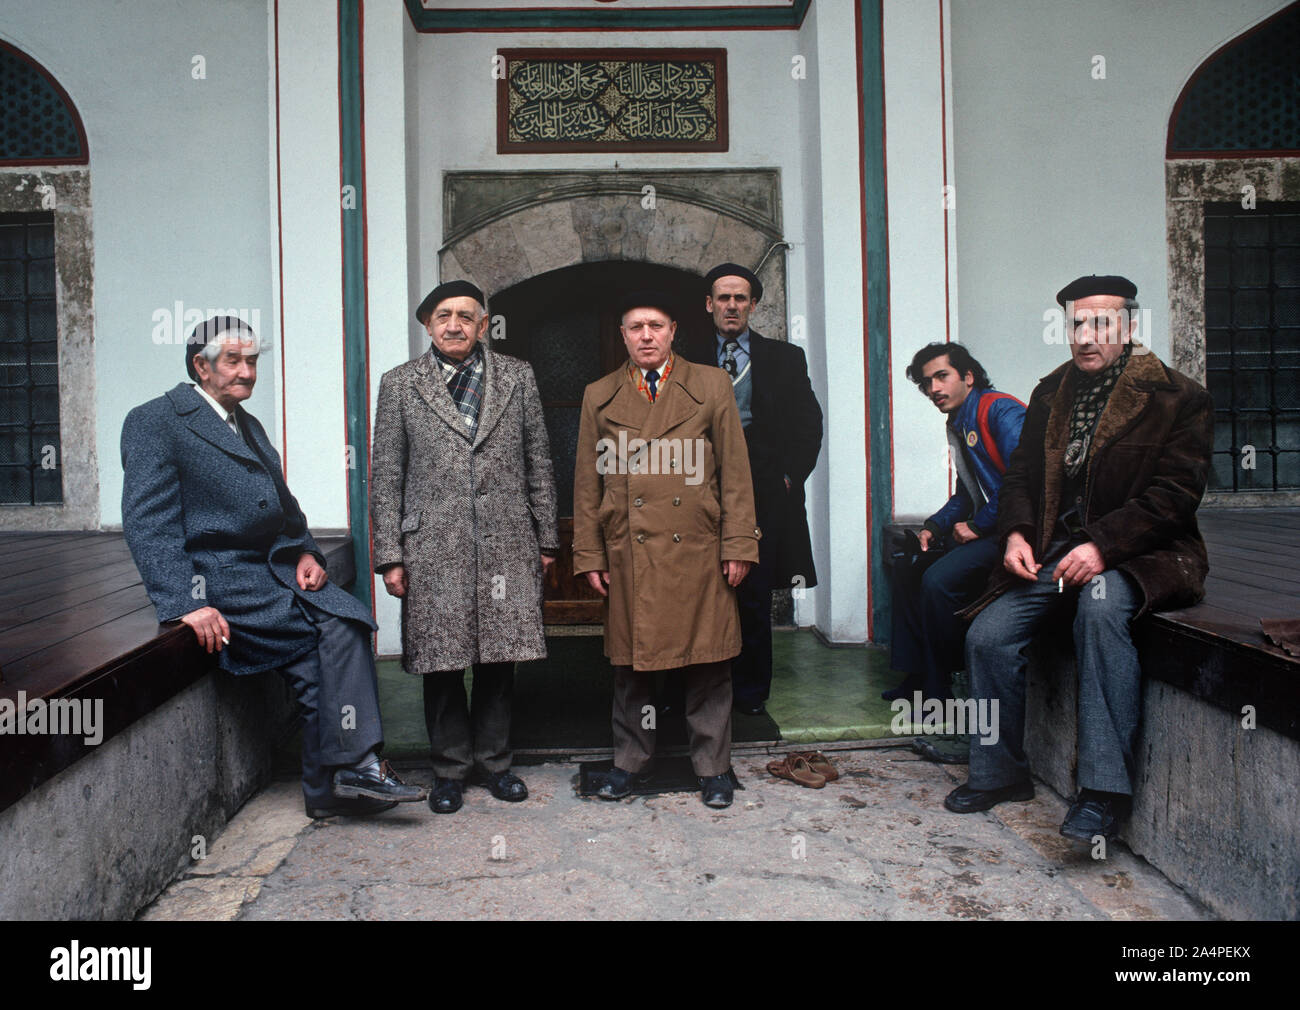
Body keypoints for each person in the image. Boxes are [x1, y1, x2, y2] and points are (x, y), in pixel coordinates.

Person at [121, 316, 425, 819]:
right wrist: (184, 603)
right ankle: (350, 773)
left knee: (336, 634)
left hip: (272, 569)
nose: (246, 372)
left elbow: (284, 507)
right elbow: (147, 523)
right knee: (328, 640)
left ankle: (337, 781)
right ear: (201, 365)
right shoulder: (156, 420)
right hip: (218, 578)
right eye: (233, 361)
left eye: (252, 361)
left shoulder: (245, 421)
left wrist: (306, 551)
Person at [944, 275, 1213, 843]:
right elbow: (1020, 477)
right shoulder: (1050, 392)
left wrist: (1102, 545)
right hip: (1057, 554)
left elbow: (1174, 496)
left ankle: (1103, 794)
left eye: (1102, 323)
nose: (1087, 336)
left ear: (1129, 328)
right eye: (1077, 324)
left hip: (1144, 554)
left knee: (1098, 609)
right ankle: (1000, 774)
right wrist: (1015, 534)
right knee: (988, 635)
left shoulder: (1177, 397)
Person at [370, 280, 558, 815]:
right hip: (432, 543)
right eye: (443, 315)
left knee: (501, 659)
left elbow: (538, 461)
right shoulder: (400, 384)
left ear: (483, 325)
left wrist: (547, 539)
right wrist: (391, 554)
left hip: (508, 541)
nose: (455, 325)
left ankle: (496, 765)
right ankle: (450, 770)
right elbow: (386, 475)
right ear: (428, 325)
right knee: (442, 661)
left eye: (466, 316)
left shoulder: (517, 376)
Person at [572, 290, 759, 808]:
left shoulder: (711, 383)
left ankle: (713, 768)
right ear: (623, 335)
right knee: (632, 664)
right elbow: (588, 482)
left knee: (708, 660)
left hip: (698, 543)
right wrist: (589, 553)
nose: (646, 336)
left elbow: (736, 475)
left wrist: (739, 543)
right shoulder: (599, 394)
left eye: (655, 325)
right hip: (629, 548)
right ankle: (629, 763)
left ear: (674, 329)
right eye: (635, 327)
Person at [676, 263, 823, 717]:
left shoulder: (784, 357)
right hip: (696, 486)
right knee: (694, 589)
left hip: (761, 488)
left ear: (754, 305)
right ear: (709, 304)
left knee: (753, 592)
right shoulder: (682, 355)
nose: (732, 306)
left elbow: (808, 425)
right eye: (723, 298)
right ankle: (694, 690)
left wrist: (787, 477)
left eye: (741, 298)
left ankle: (751, 694)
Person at [884, 343, 1025, 764]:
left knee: (939, 581)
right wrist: (934, 525)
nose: (933, 388)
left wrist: (980, 526)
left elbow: (1024, 480)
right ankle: (918, 679)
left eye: (941, 376)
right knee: (909, 568)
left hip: (1019, 533)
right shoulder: (959, 420)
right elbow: (969, 491)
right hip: (990, 529)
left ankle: (944, 687)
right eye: (927, 382)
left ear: (968, 376)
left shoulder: (1000, 411)